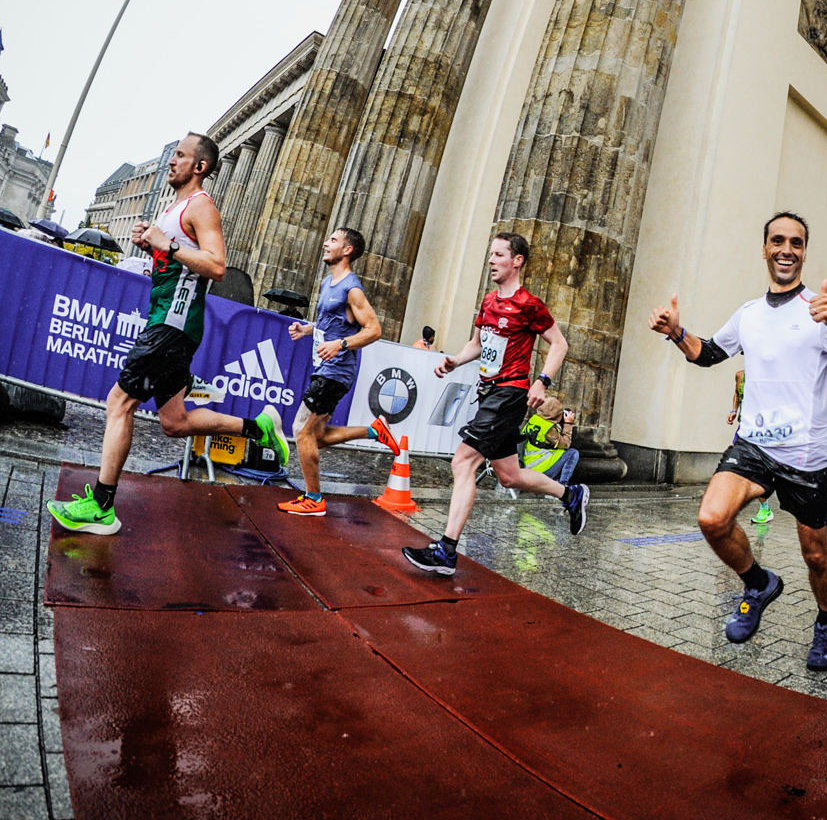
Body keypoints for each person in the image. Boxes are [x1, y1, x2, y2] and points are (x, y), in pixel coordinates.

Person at [648, 211, 827, 671]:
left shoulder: (822, 310)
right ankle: (759, 582)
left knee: (815, 555)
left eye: (796, 243)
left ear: (804, 252)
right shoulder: (749, 314)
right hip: (754, 446)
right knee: (711, 518)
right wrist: (677, 333)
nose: (786, 249)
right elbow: (709, 353)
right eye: (778, 241)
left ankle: (826, 621)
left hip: (807, 454)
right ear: (765, 248)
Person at [48, 134, 293, 534]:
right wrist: (151, 245)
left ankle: (102, 506)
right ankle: (259, 428)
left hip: (173, 324)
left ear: (200, 166)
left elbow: (217, 266)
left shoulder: (201, 206)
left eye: (180, 155)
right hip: (166, 320)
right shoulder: (172, 209)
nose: (172, 161)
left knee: (119, 402)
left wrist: (168, 246)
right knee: (175, 421)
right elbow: (174, 263)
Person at [402, 233, 587, 575]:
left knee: (463, 462)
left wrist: (541, 381)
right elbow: (478, 344)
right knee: (509, 476)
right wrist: (455, 361)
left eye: (499, 255)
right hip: (489, 393)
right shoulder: (488, 302)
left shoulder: (529, 304)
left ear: (517, 261)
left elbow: (559, 344)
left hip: (509, 393)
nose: (491, 260)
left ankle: (447, 551)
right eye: (491, 254)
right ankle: (570, 495)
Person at [277, 227, 398, 516]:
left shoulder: (352, 289)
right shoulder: (326, 283)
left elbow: (374, 330)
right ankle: (374, 431)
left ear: (347, 250)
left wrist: (341, 344)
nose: (325, 243)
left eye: (332, 240)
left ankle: (314, 499)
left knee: (301, 429)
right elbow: (330, 324)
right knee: (315, 435)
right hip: (324, 367)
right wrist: (307, 329)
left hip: (336, 371)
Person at [728, 371, 773, 525]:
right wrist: (734, 410)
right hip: (744, 428)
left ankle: (765, 509)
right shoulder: (740, 375)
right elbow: (737, 393)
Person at [519, 393, 579, 486]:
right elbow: (565, 444)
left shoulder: (534, 419)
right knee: (573, 453)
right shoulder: (548, 428)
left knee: (557, 453)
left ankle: (554, 482)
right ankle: (562, 485)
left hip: (528, 466)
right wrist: (568, 424)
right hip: (539, 470)